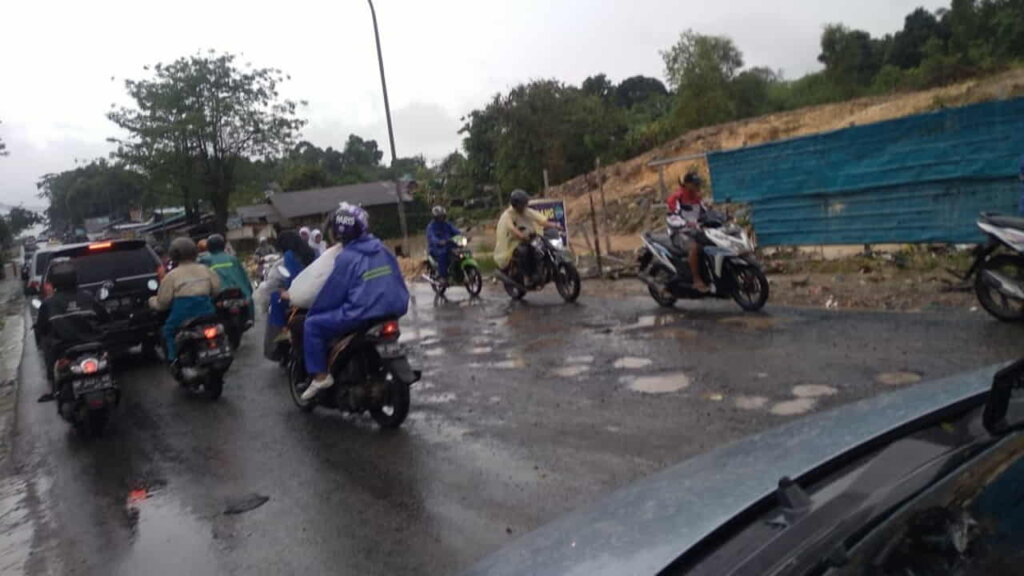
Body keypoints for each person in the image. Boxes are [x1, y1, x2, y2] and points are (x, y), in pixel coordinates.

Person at [301, 203, 409, 400]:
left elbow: (332, 294)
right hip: (393, 309)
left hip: (360, 315)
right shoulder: (382, 249)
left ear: (340, 231)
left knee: (311, 325)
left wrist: (314, 311)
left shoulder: (347, 257)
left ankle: (320, 376)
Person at [35, 260, 108, 400]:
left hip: (64, 348)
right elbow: (104, 317)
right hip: (93, 344)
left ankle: (55, 391)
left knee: (51, 359)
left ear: (54, 283)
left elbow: (42, 328)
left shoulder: (49, 303)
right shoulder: (87, 297)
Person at [149, 237, 221, 363]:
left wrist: (152, 302)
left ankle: (173, 359)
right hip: (207, 312)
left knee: (168, 331)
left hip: (183, 315)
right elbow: (216, 291)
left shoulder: (171, 276)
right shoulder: (205, 270)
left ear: (173, 255)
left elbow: (163, 303)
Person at [255, 230, 317, 361]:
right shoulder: (313, 252)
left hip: (298, 294)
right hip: (315, 292)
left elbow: (292, 278)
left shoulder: (289, 256)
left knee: (275, 298)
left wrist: (285, 291)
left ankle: (280, 334)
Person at [494, 189, 561, 285]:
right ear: (516, 205)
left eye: (525, 204)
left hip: (530, 238)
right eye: (522, 204)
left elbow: (541, 221)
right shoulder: (508, 215)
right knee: (524, 251)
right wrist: (521, 236)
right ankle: (527, 276)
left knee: (543, 247)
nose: (524, 206)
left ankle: (543, 270)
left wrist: (555, 225)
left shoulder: (526, 211)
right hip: (514, 242)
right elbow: (512, 229)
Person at [666, 172, 709, 292]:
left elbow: (705, 213)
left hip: (696, 231)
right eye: (695, 184)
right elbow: (671, 217)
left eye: (698, 184)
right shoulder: (676, 198)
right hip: (679, 233)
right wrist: (686, 223)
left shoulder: (697, 198)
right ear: (687, 184)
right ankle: (696, 280)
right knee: (693, 247)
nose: (697, 187)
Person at [201, 233, 254, 324]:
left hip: (219, 293)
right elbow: (244, 278)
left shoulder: (205, 260)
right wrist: (249, 290)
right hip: (238, 291)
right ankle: (249, 318)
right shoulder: (232, 259)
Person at [426, 205, 462, 286]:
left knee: (462, 251)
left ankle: (458, 272)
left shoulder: (447, 224)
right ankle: (443, 277)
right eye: (439, 217)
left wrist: (462, 235)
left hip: (449, 245)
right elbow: (432, 237)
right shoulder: (431, 227)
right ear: (435, 217)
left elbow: (456, 231)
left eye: (442, 216)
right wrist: (439, 242)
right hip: (437, 248)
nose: (441, 218)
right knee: (443, 254)